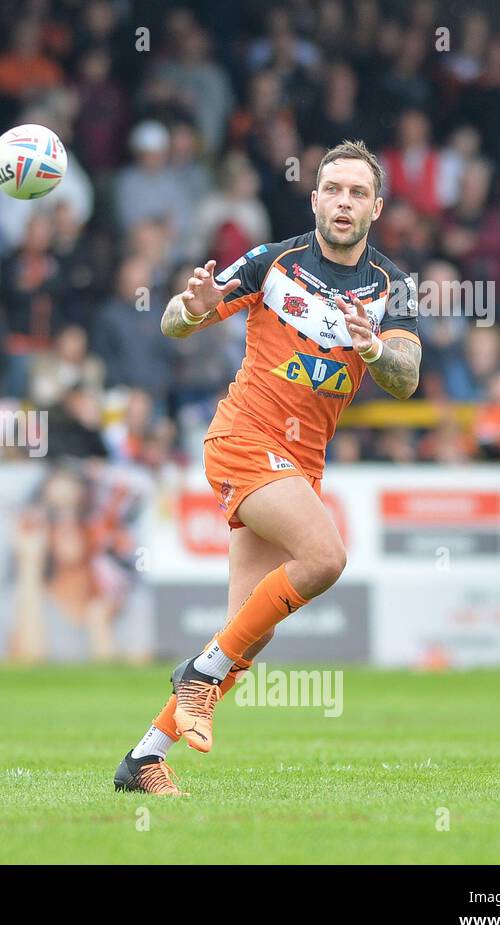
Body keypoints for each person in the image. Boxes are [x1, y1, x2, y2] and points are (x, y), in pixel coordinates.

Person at [114, 141, 423, 796]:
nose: (343, 202)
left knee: (244, 639)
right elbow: (176, 321)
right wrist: (193, 306)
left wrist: (374, 347)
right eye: (332, 190)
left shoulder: (392, 288)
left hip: (300, 463)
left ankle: (143, 758)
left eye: (357, 193)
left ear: (377, 207)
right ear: (314, 198)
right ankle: (197, 674)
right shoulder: (272, 262)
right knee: (326, 557)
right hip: (245, 438)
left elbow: (406, 378)